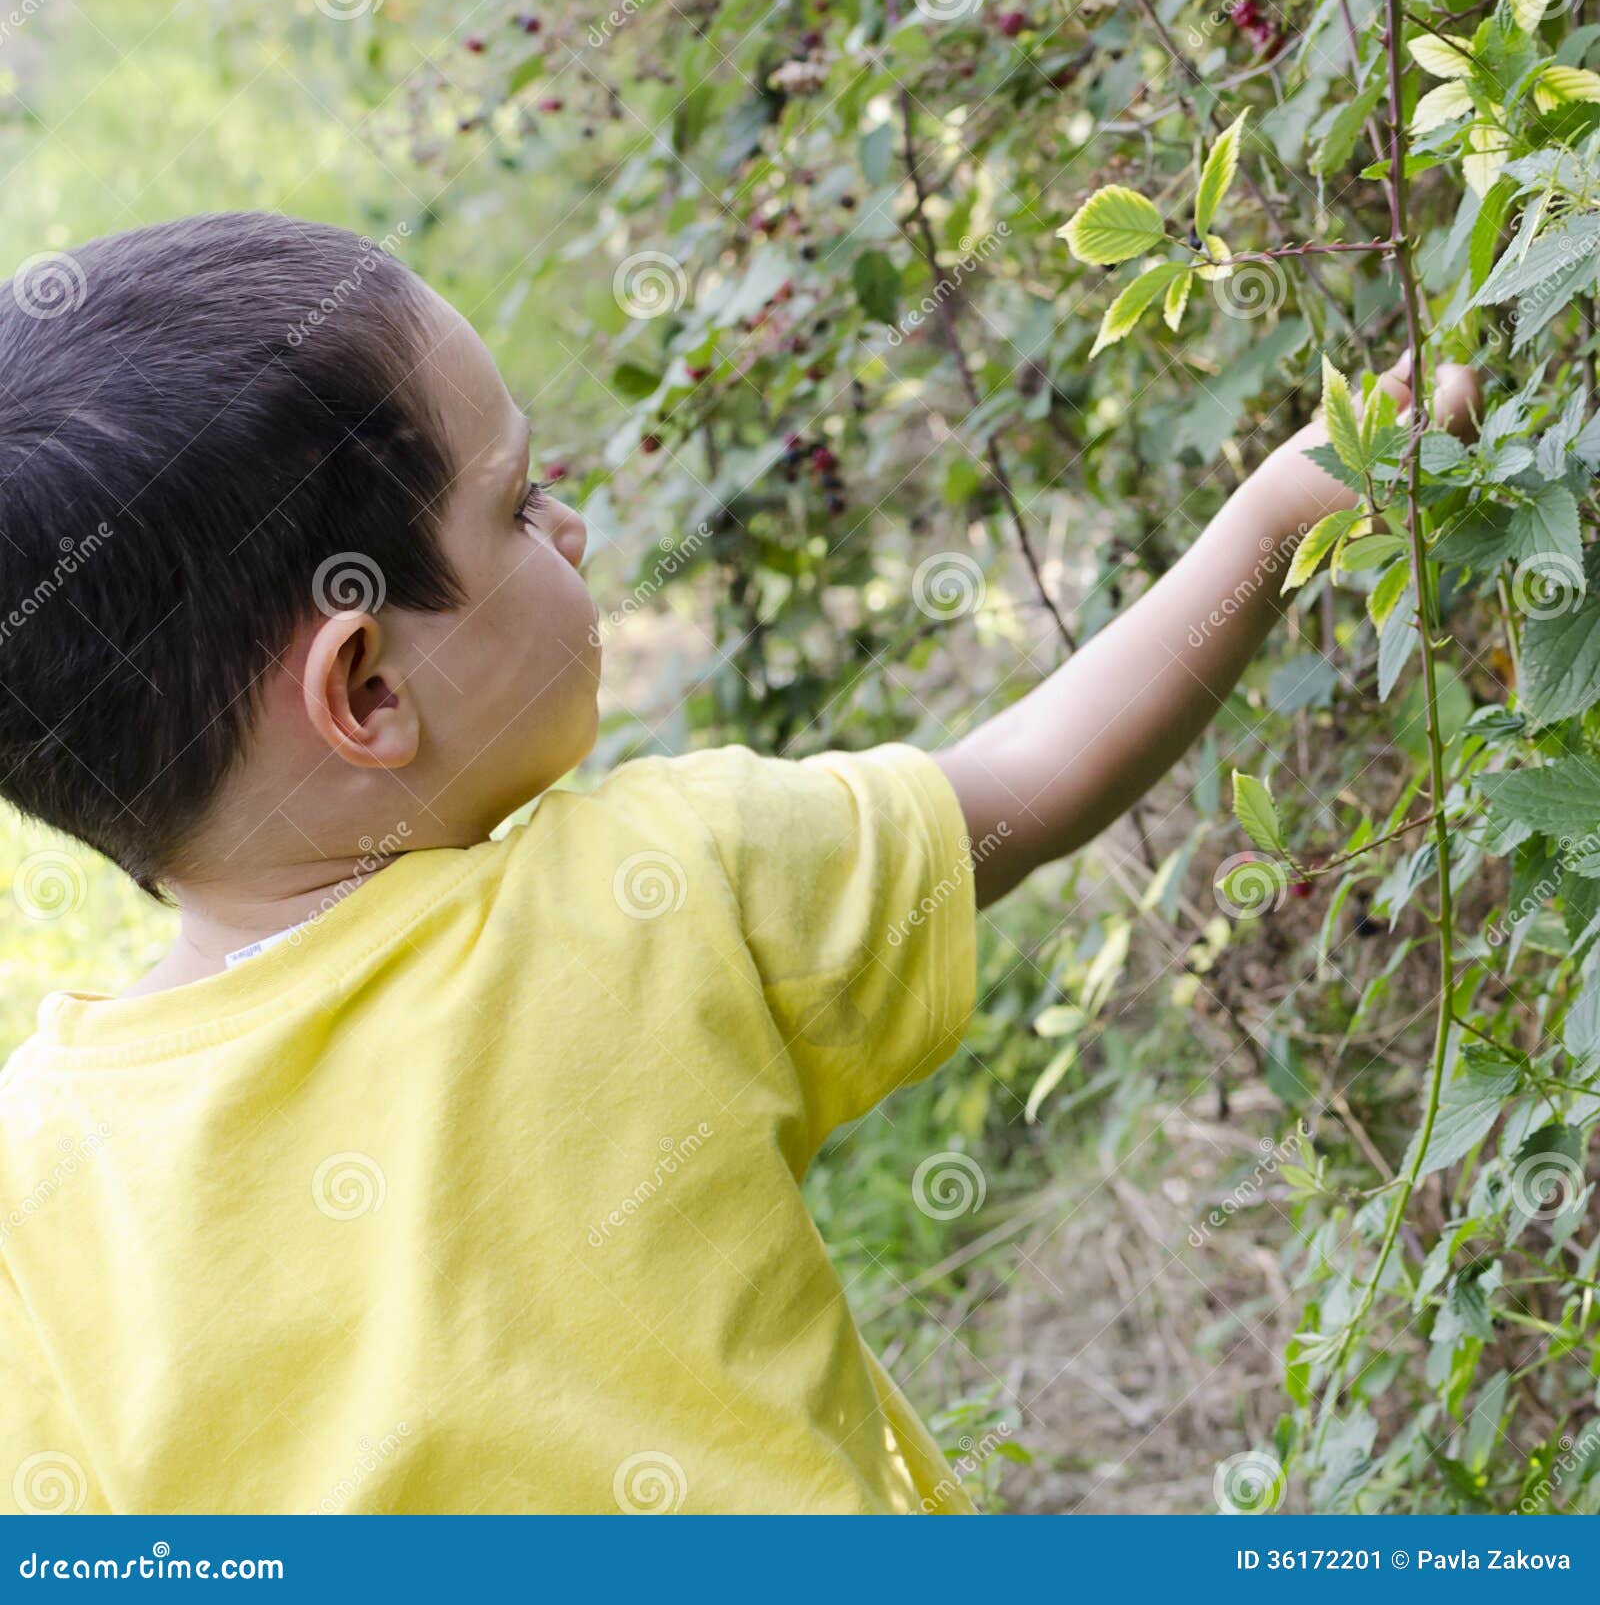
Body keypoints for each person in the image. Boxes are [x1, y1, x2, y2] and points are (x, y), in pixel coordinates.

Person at [0, 212, 1478, 1513]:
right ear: (369, 686)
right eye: (517, 505)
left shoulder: (32, 1184)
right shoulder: (660, 889)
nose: (570, 524)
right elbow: (1041, 777)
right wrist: (1284, 510)